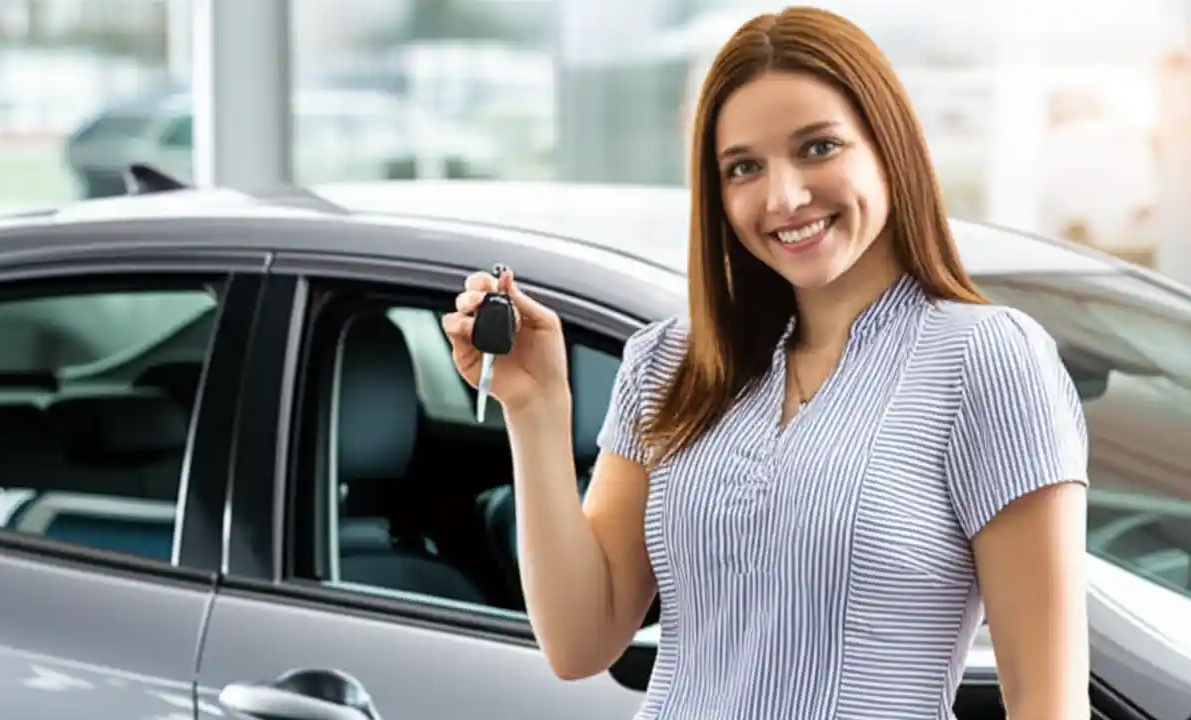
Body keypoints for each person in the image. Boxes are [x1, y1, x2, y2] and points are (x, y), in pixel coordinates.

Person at [442, 6, 1091, 719]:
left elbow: (1047, 704)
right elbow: (579, 641)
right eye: (744, 167)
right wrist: (536, 409)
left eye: (818, 148)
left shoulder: (990, 361)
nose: (783, 197)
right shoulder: (667, 364)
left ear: (888, 146)